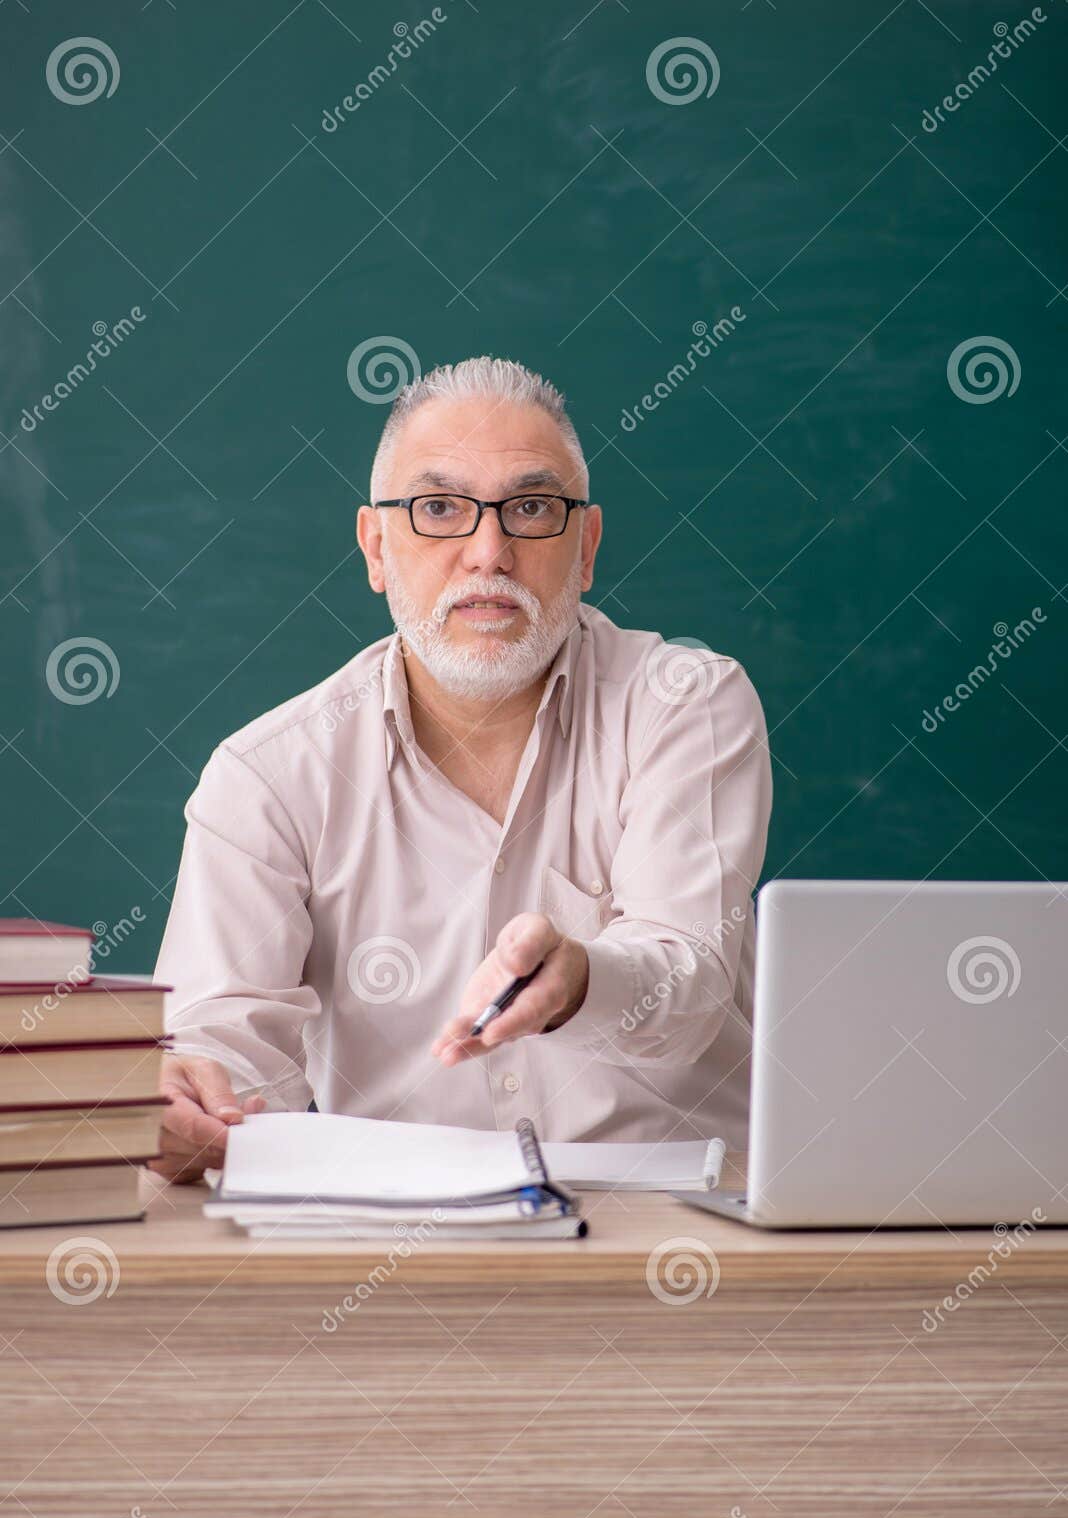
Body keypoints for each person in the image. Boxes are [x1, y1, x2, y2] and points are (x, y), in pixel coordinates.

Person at [152, 356, 772, 1182]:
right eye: (440, 508)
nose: (489, 552)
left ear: (585, 547)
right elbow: (219, 1035)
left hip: (683, 1229)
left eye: (532, 508)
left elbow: (687, 982)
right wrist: (191, 1094)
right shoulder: (266, 778)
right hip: (398, 1240)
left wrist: (584, 980)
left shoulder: (686, 705)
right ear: (377, 547)